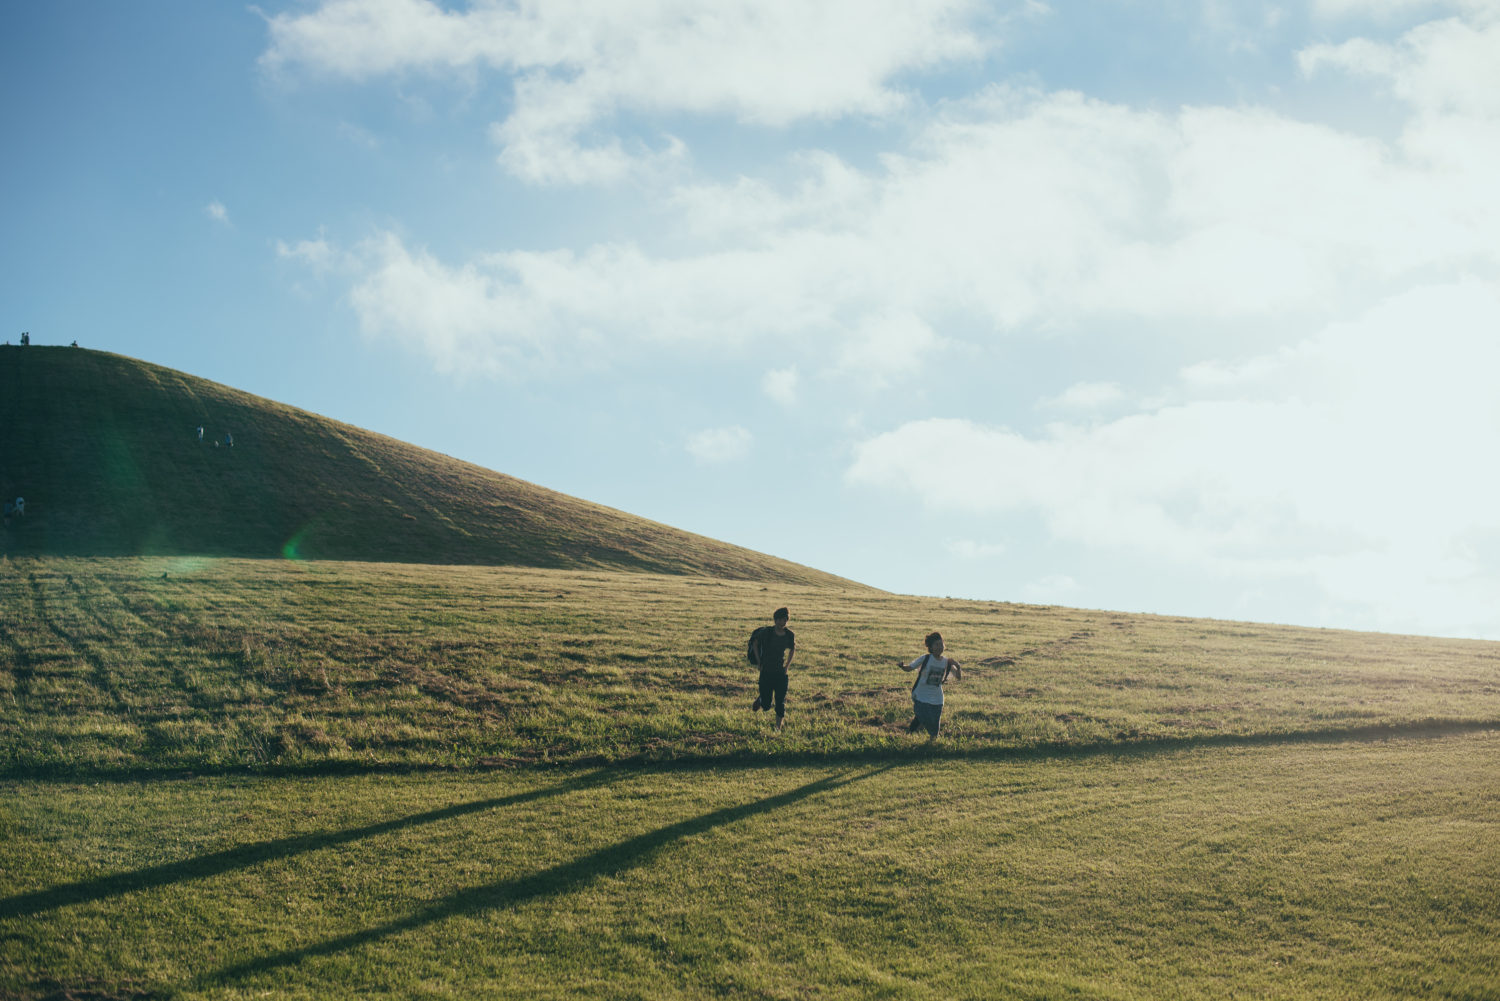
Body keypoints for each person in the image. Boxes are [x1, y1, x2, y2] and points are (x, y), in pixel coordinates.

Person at [898, 631, 962, 739]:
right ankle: (909, 735)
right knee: (922, 716)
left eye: (941, 644)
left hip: (937, 698)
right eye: (936, 645)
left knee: (935, 722)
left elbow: (958, 677)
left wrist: (958, 666)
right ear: (931, 647)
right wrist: (902, 666)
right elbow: (910, 668)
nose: (939, 647)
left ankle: (932, 742)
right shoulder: (926, 658)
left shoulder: (947, 662)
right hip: (921, 694)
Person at [749, 607, 796, 732]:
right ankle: (761, 699)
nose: (783, 623)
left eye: (785, 620)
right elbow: (755, 644)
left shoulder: (789, 635)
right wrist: (759, 662)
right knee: (766, 706)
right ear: (775, 620)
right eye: (780, 620)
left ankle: (777, 728)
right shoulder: (767, 632)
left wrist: (787, 666)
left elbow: (792, 649)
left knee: (780, 702)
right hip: (766, 672)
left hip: (781, 674)